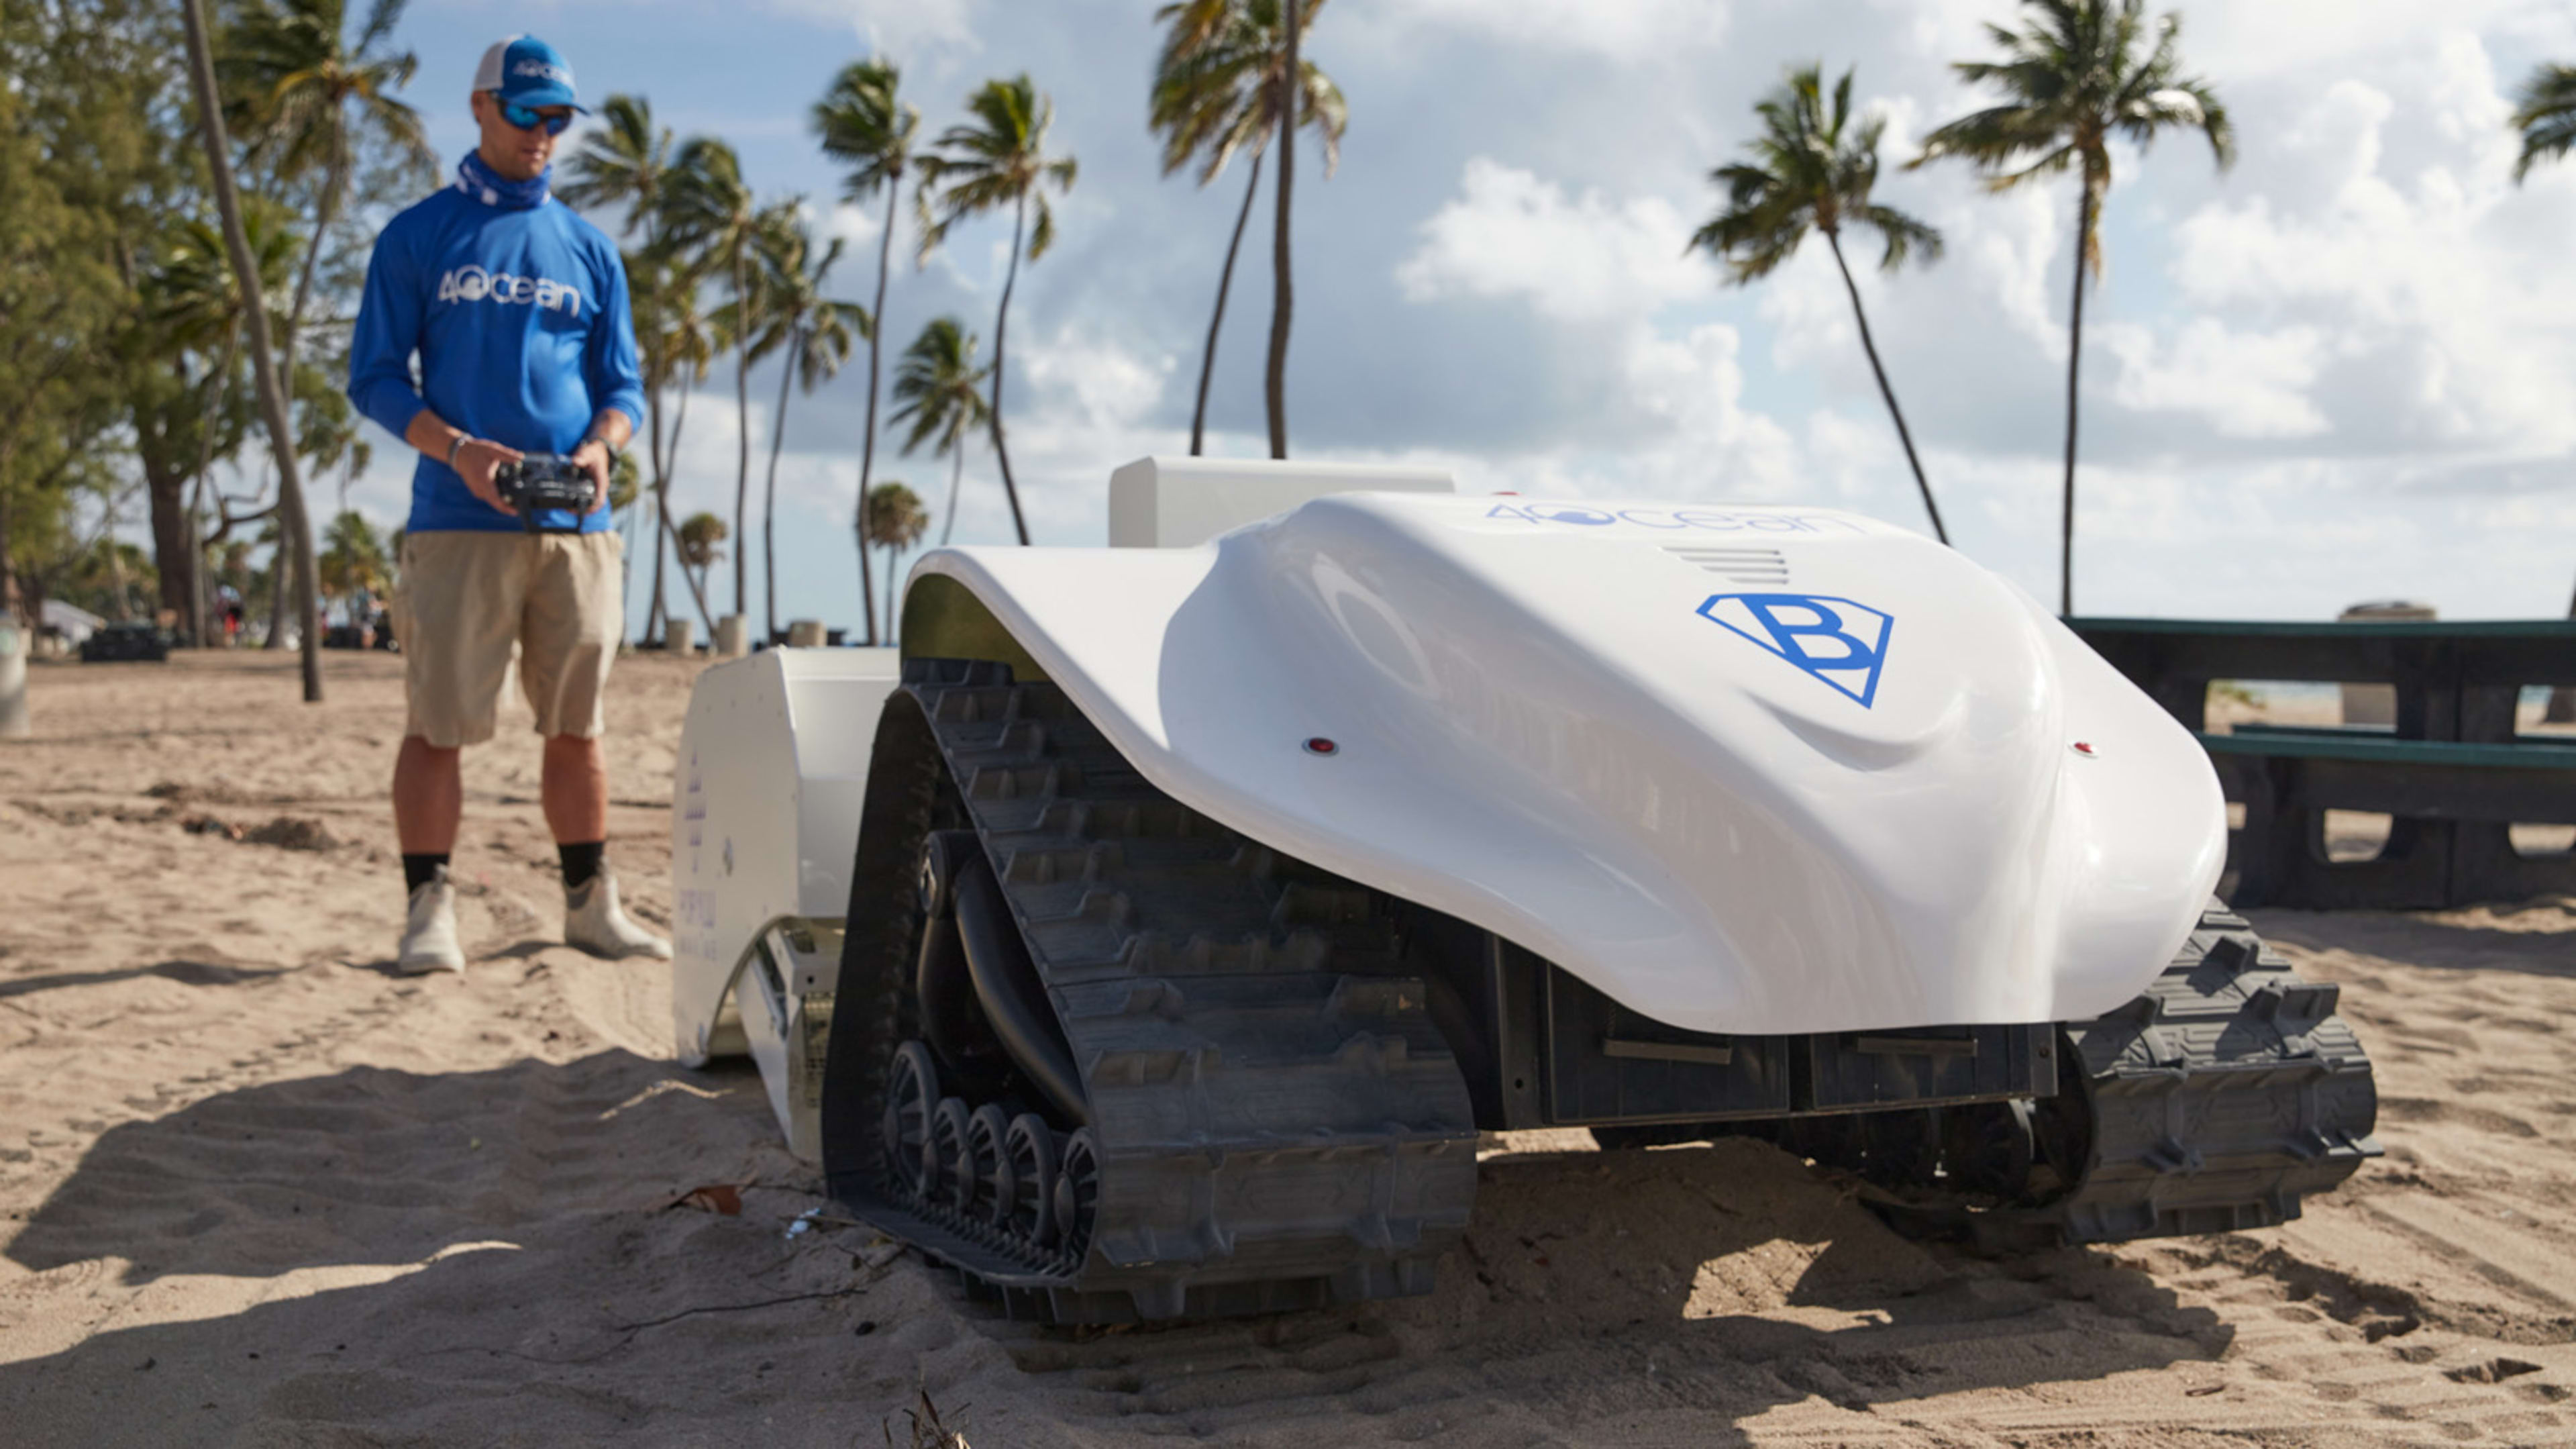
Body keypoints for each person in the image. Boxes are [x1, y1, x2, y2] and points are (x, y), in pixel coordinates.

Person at [346, 35, 668, 975]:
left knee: (578, 728)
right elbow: (372, 380)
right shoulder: (419, 235)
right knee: (438, 723)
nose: (542, 135)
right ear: (482, 107)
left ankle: (590, 904)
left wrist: (601, 449)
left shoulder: (590, 250)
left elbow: (627, 388)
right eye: (526, 113)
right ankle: (427, 911)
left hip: (577, 530)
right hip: (456, 521)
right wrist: (460, 451)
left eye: (558, 119)